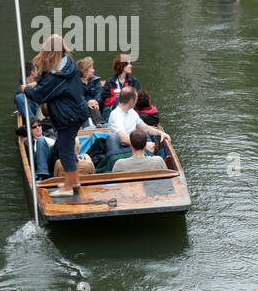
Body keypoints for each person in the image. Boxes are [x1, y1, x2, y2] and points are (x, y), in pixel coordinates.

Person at [24, 34, 90, 198]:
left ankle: (68, 187)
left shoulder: (57, 76)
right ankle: (74, 181)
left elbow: (39, 96)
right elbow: (47, 77)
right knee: (64, 147)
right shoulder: (68, 63)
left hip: (68, 117)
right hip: (77, 112)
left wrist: (26, 89)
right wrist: (37, 81)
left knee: (65, 152)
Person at [105, 87, 168, 157]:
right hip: (121, 149)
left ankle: (150, 157)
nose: (136, 102)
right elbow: (124, 138)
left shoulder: (132, 112)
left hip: (134, 146)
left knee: (145, 132)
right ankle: (150, 157)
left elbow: (145, 127)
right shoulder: (116, 115)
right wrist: (144, 146)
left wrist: (160, 133)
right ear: (131, 101)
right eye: (136, 99)